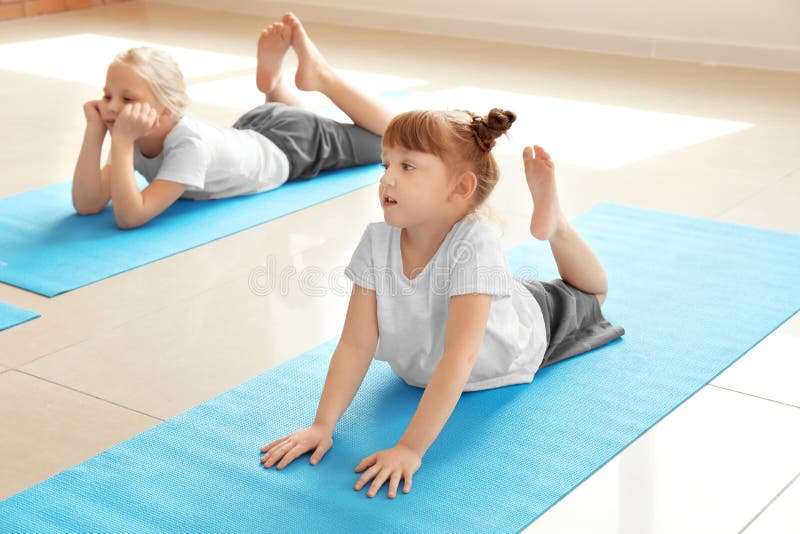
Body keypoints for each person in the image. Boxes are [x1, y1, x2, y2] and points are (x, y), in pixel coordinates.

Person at [259, 108, 624, 499]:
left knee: (592, 293)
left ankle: (556, 226)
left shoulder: (476, 243)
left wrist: (410, 448)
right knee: (485, 289)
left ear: (461, 187)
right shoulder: (376, 240)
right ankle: (520, 262)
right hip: (461, 307)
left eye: (408, 166)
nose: (387, 178)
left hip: (519, 331)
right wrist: (322, 424)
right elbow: (355, 343)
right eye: (386, 164)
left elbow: (460, 358)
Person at [72, 13, 393, 229]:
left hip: (293, 146)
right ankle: (274, 85)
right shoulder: (138, 136)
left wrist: (122, 142)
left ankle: (322, 77)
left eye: (127, 99)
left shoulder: (185, 147)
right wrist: (94, 133)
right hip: (253, 128)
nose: (111, 107)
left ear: (167, 111)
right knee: (295, 116)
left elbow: (131, 217)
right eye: (107, 95)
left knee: (390, 141)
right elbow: (87, 203)